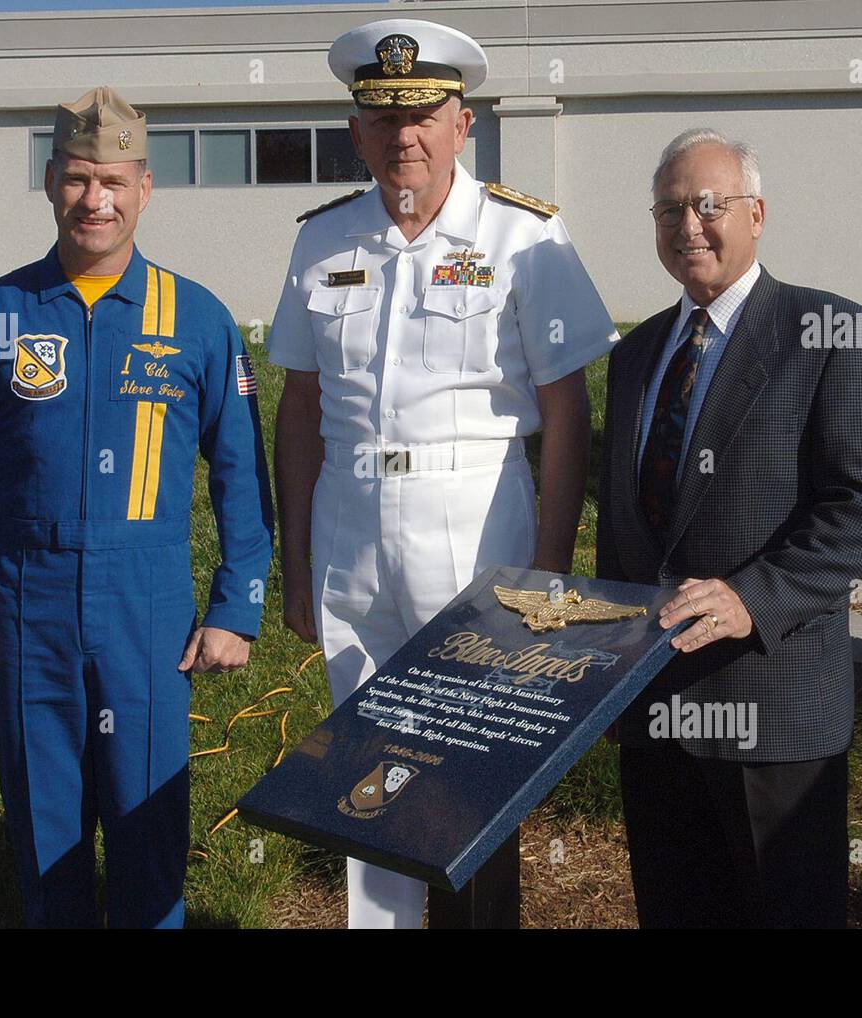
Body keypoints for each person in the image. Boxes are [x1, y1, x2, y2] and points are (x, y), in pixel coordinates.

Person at [268, 19, 619, 928]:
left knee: (470, 773)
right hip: (349, 522)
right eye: (382, 120)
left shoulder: (520, 236)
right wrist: (297, 563)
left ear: (463, 124)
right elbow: (299, 408)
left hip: (474, 523)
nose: (404, 138)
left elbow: (568, 412)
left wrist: (546, 573)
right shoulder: (323, 240)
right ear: (357, 131)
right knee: (366, 769)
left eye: (424, 116)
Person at [0, 85, 273, 928]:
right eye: (78, 179)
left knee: (150, 842)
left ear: (145, 189)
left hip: (146, 608)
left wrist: (237, 606)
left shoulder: (198, 320)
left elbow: (241, 476)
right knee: (46, 839)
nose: (95, 200)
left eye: (114, 181)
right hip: (27, 603)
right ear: (49, 182)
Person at [595, 127, 862, 928]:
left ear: (757, 213)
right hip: (655, 715)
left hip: (774, 711)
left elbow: (861, 506)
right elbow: (625, 528)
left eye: (708, 204)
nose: (687, 225)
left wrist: (750, 596)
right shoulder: (634, 357)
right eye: (668, 210)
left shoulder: (835, 335)